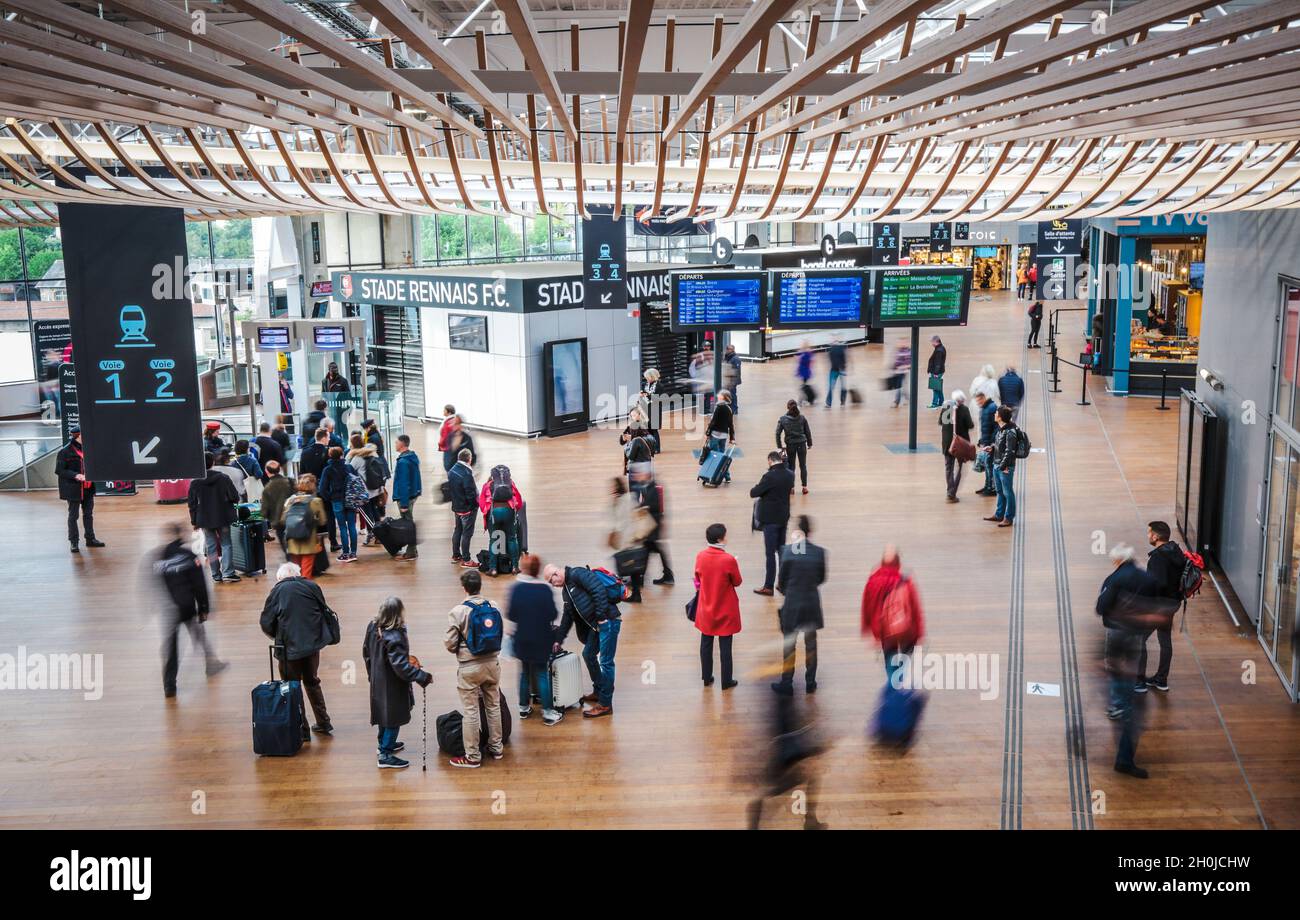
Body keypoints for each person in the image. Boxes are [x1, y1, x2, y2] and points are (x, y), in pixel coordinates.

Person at [1095, 544, 1174, 779]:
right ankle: (1125, 702)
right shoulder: (1147, 579)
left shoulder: (1115, 579)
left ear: (1117, 561)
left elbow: (1100, 607)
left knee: (1115, 671)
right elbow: (1158, 599)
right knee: (1130, 672)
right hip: (1134, 637)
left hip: (1117, 635)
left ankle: (1117, 704)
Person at [260, 561, 336, 738]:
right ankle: (324, 721)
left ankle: (302, 729)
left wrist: (276, 635)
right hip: (312, 646)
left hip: (288, 650)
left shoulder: (277, 591)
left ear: (281, 578)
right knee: (312, 682)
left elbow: (266, 622)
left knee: (292, 687)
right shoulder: (312, 586)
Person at [156, 522, 226, 698]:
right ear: (181, 536)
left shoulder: (159, 557)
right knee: (198, 632)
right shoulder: (189, 556)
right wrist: (204, 608)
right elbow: (199, 585)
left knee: (171, 647)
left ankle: (169, 685)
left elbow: (155, 582)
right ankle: (211, 663)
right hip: (186, 605)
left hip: (169, 608)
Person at [444, 568, 505, 766]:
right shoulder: (493, 605)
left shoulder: (458, 612)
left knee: (470, 711)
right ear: (480, 586)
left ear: (464, 588)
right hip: (492, 663)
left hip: (469, 667)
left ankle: (473, 757)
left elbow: (450, 644)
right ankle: (497, 748)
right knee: (493, 706)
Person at [363, 596, 432, 769]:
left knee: (383, 714)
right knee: (393, 718)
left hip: (378, 679)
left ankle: (383, 744)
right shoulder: (395, 635)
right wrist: (422, 676)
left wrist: (371, 674)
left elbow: (366, 652)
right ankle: (385, 754)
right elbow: (401, 667)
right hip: (392, 684)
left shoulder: (373, 627)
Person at [546, 562, 621, 718]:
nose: (552, 585)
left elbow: (598, 590)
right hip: (597, 626)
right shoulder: (566, 590)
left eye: (550, 581)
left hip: (608, 621)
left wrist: (601, 618)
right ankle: (600, 690)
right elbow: (568, 616)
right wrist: (558, 640)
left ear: (556, 574)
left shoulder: (577, 574)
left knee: (606, 662)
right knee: (588, 654)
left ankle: (605, 704)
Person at [506, 554, 563, 725]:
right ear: (538, 570)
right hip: (541, 638)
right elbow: (553, 614)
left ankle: (524, 708)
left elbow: (511, 614)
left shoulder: (516, 588)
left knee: (524, 673)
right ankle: (547, 713)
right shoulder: (544, 589)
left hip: (521, 638)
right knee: (541, 674)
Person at [773, 515, 824, 696]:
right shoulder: (819, 553)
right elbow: (821, 578)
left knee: (789, 645)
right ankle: (810, 682)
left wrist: (788, 590)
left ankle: (787, 682)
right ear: (810, 532)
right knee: (811, 645)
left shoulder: (786, 551)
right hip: (811, 604)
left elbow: (781, 583)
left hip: (792, 604)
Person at [861, 545, 925, 686]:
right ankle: (899, 683)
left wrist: (867, 626)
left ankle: (893, 686)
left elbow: (867, 605)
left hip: (885, 631)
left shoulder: (874, 579)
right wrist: (919, 633)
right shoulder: (905, 580)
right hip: (906, 630)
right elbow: (915, 607)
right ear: (898, 562)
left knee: (890, 660)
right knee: (903, 661)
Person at [694, 522, 742, 689]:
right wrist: (735, 564)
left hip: (706, 607)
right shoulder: (728, 559)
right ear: (720, 539)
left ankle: (707, 677)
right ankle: (726, 681)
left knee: (706, 643)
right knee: (725, 647)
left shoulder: (700, 556)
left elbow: (697, 580)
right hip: (725, 608)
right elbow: (737, 582)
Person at [1138, 521, 1183, 693]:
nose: (1148, 536)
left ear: (1156, 536)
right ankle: (1161, 679)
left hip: (1160, 605)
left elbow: (1159, 583)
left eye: (1149, 533)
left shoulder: (1158, 557)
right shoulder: (1175, 550)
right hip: (1173, 603)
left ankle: (1139, 682)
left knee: (1139, 638)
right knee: (1165, 640)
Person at [188, 452, 240, 583]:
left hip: (204, 519)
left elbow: (192, 504)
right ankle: (228, 572)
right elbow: (235, 497)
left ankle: (215, 574)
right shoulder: (223, 478)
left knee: (210, 546)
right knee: (226, 544)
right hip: (223, 516)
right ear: (213, 463)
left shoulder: (195, 482)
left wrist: (194, 521)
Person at [750, 450, 795, 596]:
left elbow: (754, 492)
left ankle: (768, 586)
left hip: (770, 520)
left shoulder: (769, 476)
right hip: (783, 517)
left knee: (770, 553)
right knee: (781, 551)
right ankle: (782, 583)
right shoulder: (790, 474)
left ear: (770, 460)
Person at [55, 425, 103, 553]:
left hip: (88, 489)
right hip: (73, 489)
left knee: (88, 515)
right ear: (78, 436)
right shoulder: (65, 451)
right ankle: (74, 542)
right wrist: (76, 475)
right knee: (73, 516)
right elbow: (59, 470)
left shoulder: (90, 450)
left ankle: (90, 539)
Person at [609, 477, 654, 604]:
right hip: (634, 537)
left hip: (629, 539)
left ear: (617, 487)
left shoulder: (621, 501)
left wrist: (614, 537)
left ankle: (633, 593)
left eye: (613, 487)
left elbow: (620, 522)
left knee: (628, 565)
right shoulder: (630, 497)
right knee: (634, 566)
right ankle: (635, 593)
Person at [480, 467, 524, 577]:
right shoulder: (510, 484)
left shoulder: (487, 485)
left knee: (494, 540)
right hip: (508, 511)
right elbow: (519, 501)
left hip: (494, 512)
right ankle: (515, 567)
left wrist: (488, 511)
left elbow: (481, 503)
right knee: (512, 538)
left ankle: (493, 569)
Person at [300, 428, 338, 553]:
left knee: (311, 517)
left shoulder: (305, 452)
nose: (329, 439)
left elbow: (302, 472)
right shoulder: (328, 452)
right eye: (328, 437)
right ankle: (333, 542)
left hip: (310, 489)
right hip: (325, 489)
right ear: (323, 438)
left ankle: (313, 545)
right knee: (330, 516)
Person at [282, 474, 327, 579]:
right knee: (306, 572)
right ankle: (305, 591)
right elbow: (322, 521)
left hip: (292, 540)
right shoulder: (316, 501)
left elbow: (283, 519)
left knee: (295, 571)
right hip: (309, 540)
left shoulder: (290, 500)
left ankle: (296, 589)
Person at [318, 446, 358, 562]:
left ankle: (345, 553)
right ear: (342, 455)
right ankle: (353, 553)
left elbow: (322, 489)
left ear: (330, 456)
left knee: (342, 527)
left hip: (337, 501)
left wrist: (330, 498)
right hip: (350, 500)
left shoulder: (328, 470)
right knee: (352, 526)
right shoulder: (349, 468)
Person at [985, 406, 1021, 528]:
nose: (994, 414)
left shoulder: (1010, 432)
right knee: (1000, 491)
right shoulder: (1001, 429)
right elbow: (1001, 446)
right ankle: (999, 514)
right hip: (997, 464)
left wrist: (1002, 466)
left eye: (996, 413)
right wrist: (992, 448)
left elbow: (1010, 451)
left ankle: (1008, 517)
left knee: (1007, 492)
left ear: (1000, 417)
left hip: (1005, 467)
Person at [347, 433, 384, 547]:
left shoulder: (356, 458)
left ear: (352, 445)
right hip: (376, 488)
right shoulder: (373, 453)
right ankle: (380, 535)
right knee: (375, 511)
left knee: (367, 514)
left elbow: (348, 470)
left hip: (365, 491)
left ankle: (372, 535)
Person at [390, 434, 422, 560]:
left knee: (408, 524)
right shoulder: (411, 457)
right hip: (412, 494)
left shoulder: (403, 462)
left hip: (405, 498)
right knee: (409, 522)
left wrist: (403, 504)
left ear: (402, 444)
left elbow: (404, 483)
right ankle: (412, 549)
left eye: (396, 442)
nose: (395, 444)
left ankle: (411, 552)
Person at [940, 390, 974, 503]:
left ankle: (950, 491)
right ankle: (952, 492)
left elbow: (941, 422)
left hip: (947, 443)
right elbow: (970, 425)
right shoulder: (964, 409)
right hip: (960, 444)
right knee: (959, 467)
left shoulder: (946, 407)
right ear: (961, 400)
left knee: (948, 467)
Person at [448, 447, 479, 566]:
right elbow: (470, 494)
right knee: (467, 534)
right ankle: (466, 560)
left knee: (458, 530)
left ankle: (456, 555)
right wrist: (474, 506)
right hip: (467, 509)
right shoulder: (466, 473)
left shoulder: (452, 470)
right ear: (469, 460)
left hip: (457, 507)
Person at [776, 400, 813, 494]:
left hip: (790, 445)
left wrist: (780, 447)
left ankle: (791, 488)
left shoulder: (783, 419)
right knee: (803, 466)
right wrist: (809, 443)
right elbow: (807, 432)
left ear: (788, 407)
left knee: (791, 467)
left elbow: (777, 433)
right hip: (801, 444)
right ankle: (804, 487)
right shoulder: (802, 418)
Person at [260, 460, 293, 557]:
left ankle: (292, 564)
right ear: (280, 469)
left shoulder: (267, 488)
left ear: (267, 471)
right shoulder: (290, 482)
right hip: (293, 518)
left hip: (278, 521)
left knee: (286, 546)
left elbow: (264, 511)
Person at [702, 389, 736, 483]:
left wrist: (708, 433)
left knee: (715, 456)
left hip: (715, 435)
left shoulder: (718, 407)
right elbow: (731, 424)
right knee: (722, 456)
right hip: (724, 436)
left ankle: (712, 475)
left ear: (723, 397)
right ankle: (727, 476)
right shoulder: (729, 409)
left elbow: (713, 422)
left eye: (720, 395)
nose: (718, 396)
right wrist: (732, 438)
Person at [973, 391, 999, 497]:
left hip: (990, 444)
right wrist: (982, 440)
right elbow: (985, 428)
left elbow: (995, 427)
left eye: (979, 400)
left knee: (989, 465)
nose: (978, 403)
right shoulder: (985, 408)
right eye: (977, 401)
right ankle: (987, 485)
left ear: (983, 398)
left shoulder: (991, 408)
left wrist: (991, 442)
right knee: (987, 465)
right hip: (986, 442)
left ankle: (991, 488)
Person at [825, 336, 848, 408]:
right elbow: (844, 360)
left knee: (832, 387)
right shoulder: (840, 349)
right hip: (840, 370)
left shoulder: (831, 350)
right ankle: (842, 402)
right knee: (842, 387)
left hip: (835, 370)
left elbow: (832, 360)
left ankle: (829, 404)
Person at [438, 406, 462, 473]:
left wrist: (441, 444)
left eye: (444, 410)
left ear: (449, 412)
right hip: (453, 447)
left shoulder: (448, 423)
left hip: (448, 447)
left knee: (448, 466)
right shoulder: (454, 420)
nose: (443, 411)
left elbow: (445, 436)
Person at [926, 335, 947, 408]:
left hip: (937, 372)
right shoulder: (940, 348)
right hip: (939, 371)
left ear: (936, 342)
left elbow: (938, 363)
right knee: (938, 388)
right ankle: (941, 402)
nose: (931, 343)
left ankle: (934, 404)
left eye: (932, 342)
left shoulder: (939, 350)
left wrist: (935, 373)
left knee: (935, 388)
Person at [890, 340, 912, 408]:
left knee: (898, 387)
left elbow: (909, 364)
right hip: (897, 372)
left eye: (902, 342)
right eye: (899, 342)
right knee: (902, 387)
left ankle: (896, 402)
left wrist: (901, 367)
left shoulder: (908, 351)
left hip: (902, 372)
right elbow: (896, 360)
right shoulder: (898, 350)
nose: (900, 343)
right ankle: (908, 399)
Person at [722, 343, 743, 415]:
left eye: (729, 349)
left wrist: (733, 381)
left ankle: (734, 409)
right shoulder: (727, 357)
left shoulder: (735, 358)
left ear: (733, 350)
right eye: (727, 349)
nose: (727, 350)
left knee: (733, 394)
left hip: (733, 381)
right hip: (727, 380)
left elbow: (737, 371)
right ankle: (729, 408)